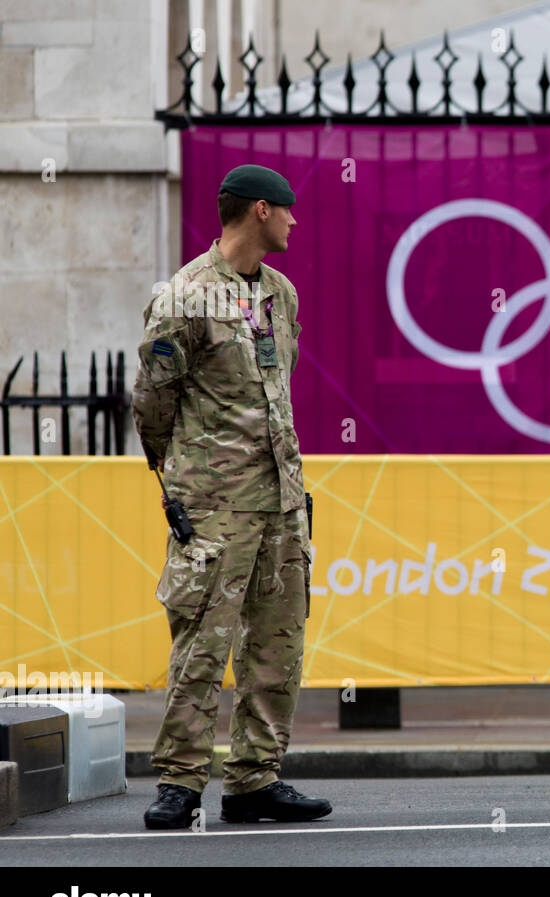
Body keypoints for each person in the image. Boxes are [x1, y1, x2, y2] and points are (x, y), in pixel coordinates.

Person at [132, 163, 331, 829]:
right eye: (287, 209)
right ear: (259, 213)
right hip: (215, 501)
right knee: (201, 645)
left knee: (277, 644)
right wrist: (178, 476)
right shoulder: (184, 296)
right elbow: (153, 397)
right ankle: (181, 782)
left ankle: (254, 779)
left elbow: (281, 383)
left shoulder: (281, 293)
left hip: (280, 498)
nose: (295, 220)